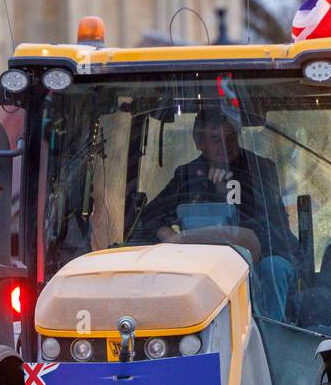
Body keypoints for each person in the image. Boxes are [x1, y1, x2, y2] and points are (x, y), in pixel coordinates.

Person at [127, 107, 299, 319]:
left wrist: (224, 197)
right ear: (199, 143)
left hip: (261, 257)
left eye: (230, 137)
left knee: (275, 269)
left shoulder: (260, 169)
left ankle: (270, 334)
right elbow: (149, 215)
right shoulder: (187, 175)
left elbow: (268, 224)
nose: (225, 145)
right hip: (200, 262)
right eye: (216, 139)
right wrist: (170, 236)